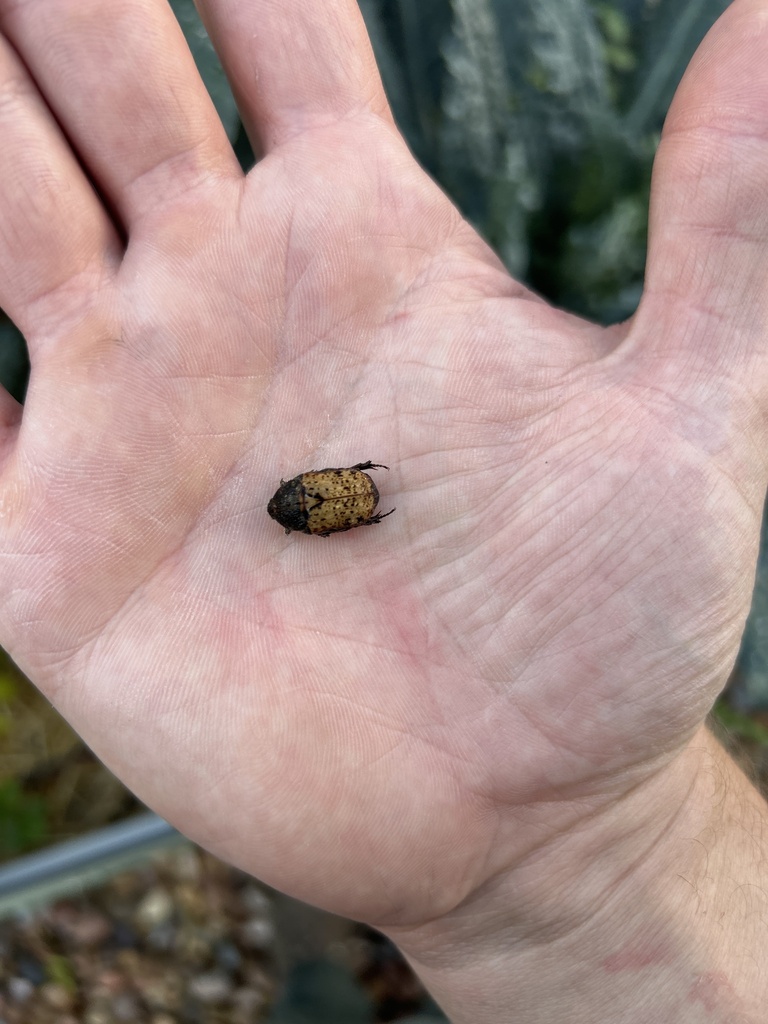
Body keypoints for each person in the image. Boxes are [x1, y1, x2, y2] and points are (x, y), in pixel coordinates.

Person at [0, 0, 766, 1019]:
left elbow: (336, 499)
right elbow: (332, 498)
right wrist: (604, 859)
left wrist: (605, 846)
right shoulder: (312, 502)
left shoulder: (315, 503)